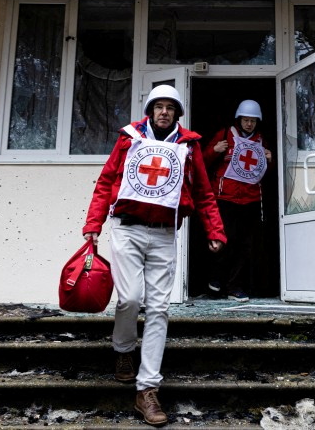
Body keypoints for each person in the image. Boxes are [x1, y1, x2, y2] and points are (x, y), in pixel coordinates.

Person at [83, 84, 225, 427]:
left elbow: (204, 193)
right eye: (159, 106)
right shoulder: (129, 138)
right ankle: (123, 352)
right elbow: (105, 182)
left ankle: (147, 389)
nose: (164, 112)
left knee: (159, 308)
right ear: (151, 111)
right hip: (127, 229)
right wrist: (93, 223)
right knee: (130, 298)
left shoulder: (188, 146)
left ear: (177, 113)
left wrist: (215, 230)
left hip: (164, 233)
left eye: (170, 107)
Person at [203, 99, 273, 302]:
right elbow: (202, 161)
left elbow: (264, 173)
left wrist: (270, 160)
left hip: (250, 199)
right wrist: (214, 151)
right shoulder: (226, 135)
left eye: (253, 120)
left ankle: (235, 287)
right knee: (224, 240)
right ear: (239, 119)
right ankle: (215, 280)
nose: (249, 124)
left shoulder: (261, 141)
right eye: (246, 120)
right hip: (225, 197)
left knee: (246, 245)